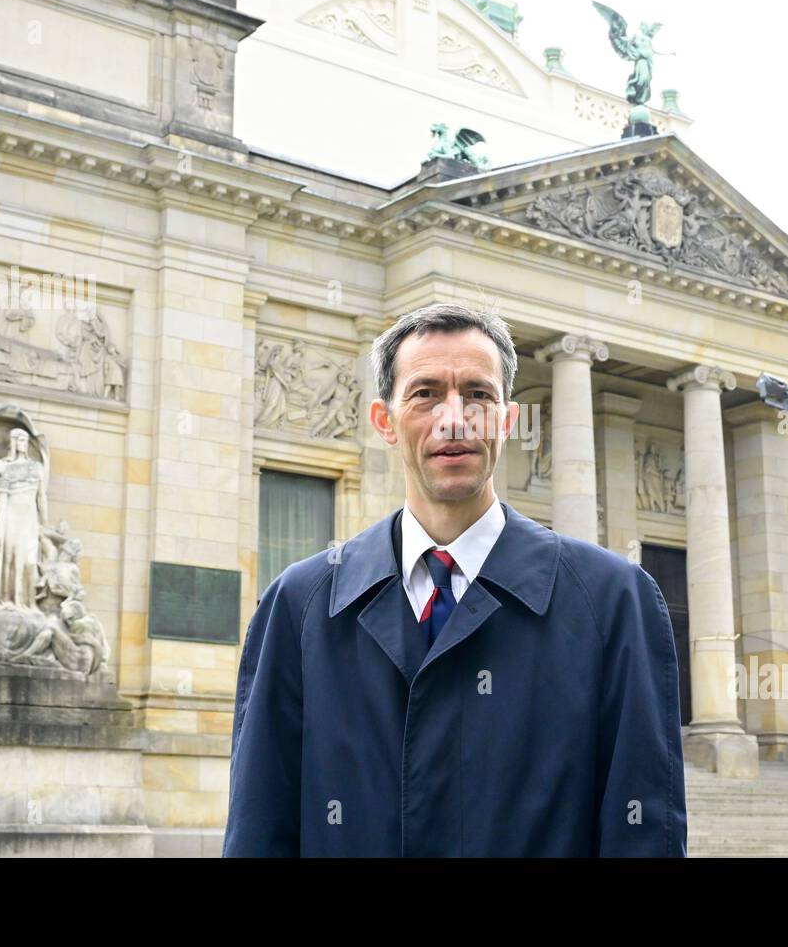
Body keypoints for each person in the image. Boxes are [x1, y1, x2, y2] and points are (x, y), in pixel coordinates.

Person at [224, 303, 687, 857]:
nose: (454, 419)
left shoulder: (614, 601)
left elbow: (642, 839)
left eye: (478, 394)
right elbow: (260, 830)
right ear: (383, 421)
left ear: (508, 420)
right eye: (425, 394)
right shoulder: (299, 606)